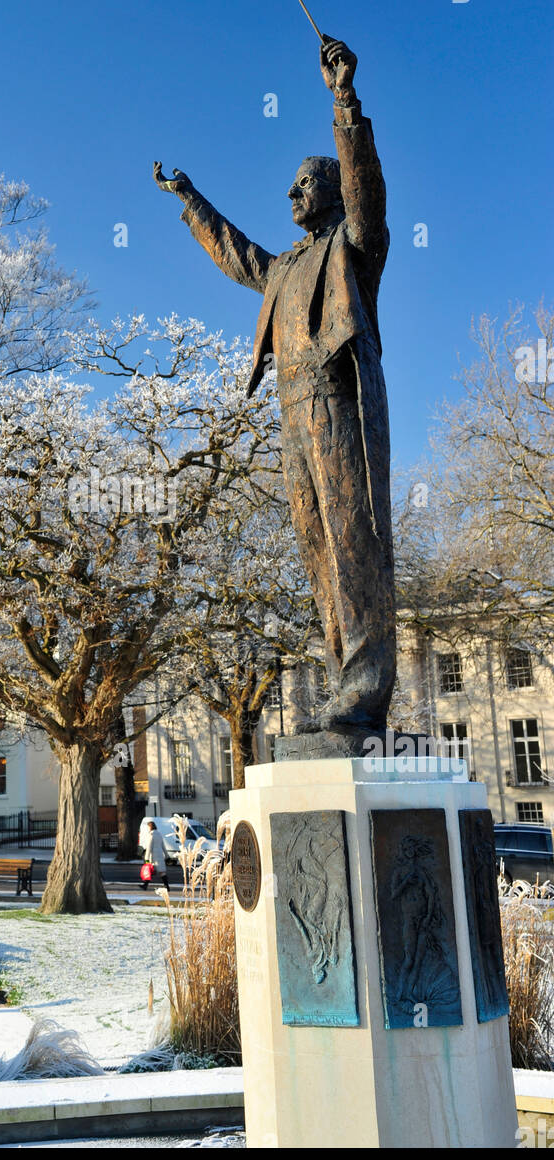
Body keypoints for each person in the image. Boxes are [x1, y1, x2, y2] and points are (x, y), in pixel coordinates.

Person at [154, 37, 395, 734]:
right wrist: (190, 197)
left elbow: (367, 190)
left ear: (329, 189)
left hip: (340, 401)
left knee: (354, 539)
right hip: (292, 410)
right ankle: (342, 683)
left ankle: (366, 685)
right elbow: (239, 257)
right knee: (317, 547)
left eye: (304, 183)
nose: (291, 193)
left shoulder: (354, 246)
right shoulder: (286, 267)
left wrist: (342, 100)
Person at [142, 819, 169, 892]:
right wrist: (167, 855)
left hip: (153, 856)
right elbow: (163, 846)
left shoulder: (151, 835)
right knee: (162, 872)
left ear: (150, 827)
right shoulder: (159, 834)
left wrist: (146, 859)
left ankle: (145, 885)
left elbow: (149, 848)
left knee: (149, 871)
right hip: (160, 855)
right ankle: (167, 886)